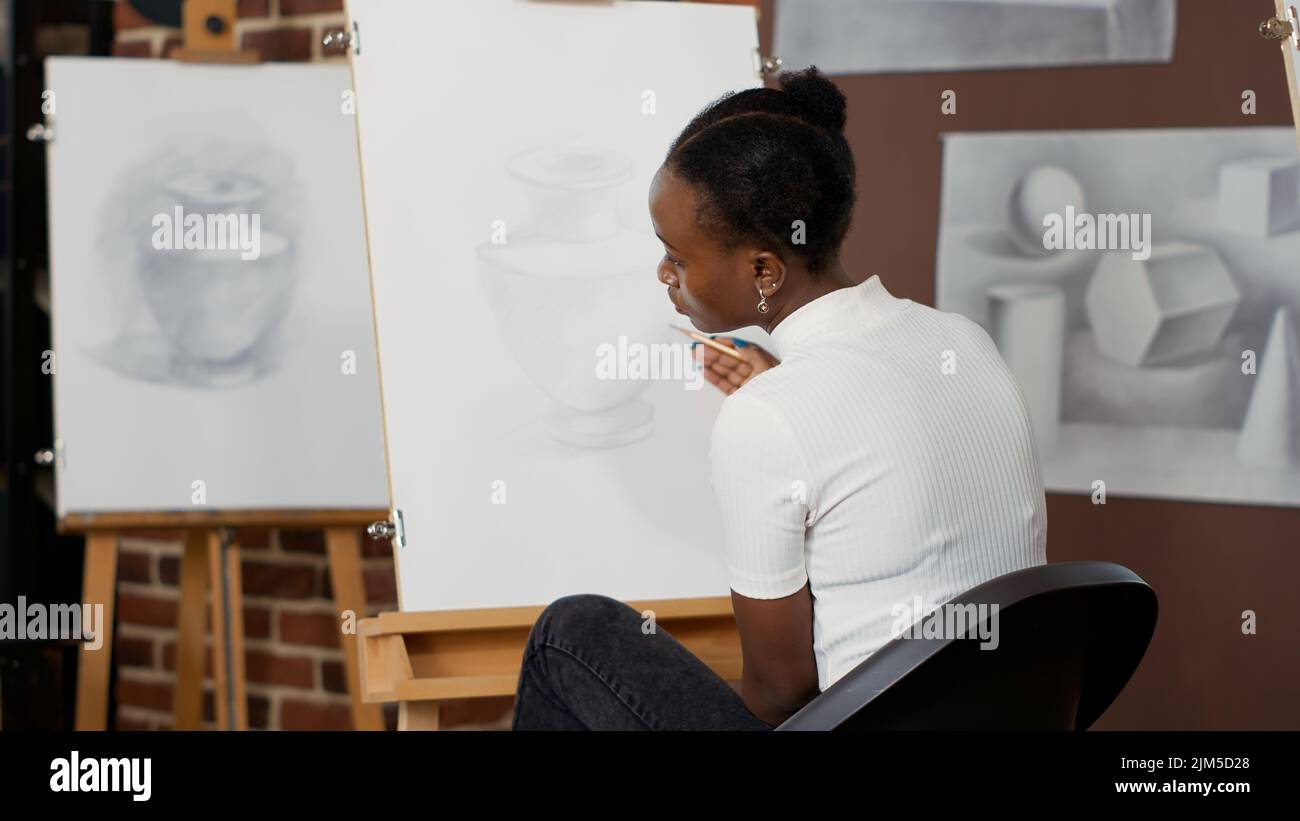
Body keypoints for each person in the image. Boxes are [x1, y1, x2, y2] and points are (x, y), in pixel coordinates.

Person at [512, 66, 1047, 731]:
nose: (662, 275)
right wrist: (785, 392)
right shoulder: (968, 344)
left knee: (569, 633)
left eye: (676, 256)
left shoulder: (768, 419)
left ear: (764, 269)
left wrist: (777, 410)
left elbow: (781, 691)